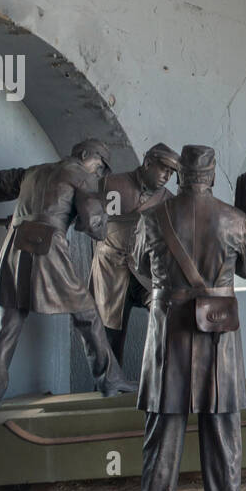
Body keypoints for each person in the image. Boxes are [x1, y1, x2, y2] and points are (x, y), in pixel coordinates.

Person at [127, 145, 246, 491]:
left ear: (180, 174)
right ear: (213, 175)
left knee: (161, 437)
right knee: (223, 437)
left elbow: (136, 264)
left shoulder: (152, 217)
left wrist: (168, 290)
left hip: (168, 331)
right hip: (217, 336)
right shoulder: (234, 220)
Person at [0, 139, 136, 424]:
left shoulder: (33, 172)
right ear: (86, 155)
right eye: (99, 166)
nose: (98, 173)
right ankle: (109, 380)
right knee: (87, 314)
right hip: (47, 248)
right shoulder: (81, 176)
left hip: (15, 247)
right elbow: (94, 224)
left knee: (4, 328)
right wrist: (99, 223)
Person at [90, 142, 181, 364]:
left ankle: (160, 380)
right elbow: (86, 219)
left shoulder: (168, 200)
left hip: (146, 273)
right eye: (163, 169)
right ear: (148, 163)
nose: (167, 176)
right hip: (110, 270)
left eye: (171, 172)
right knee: (110, 335)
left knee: (169, 316)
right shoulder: (110, 184)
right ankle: (108, 390)